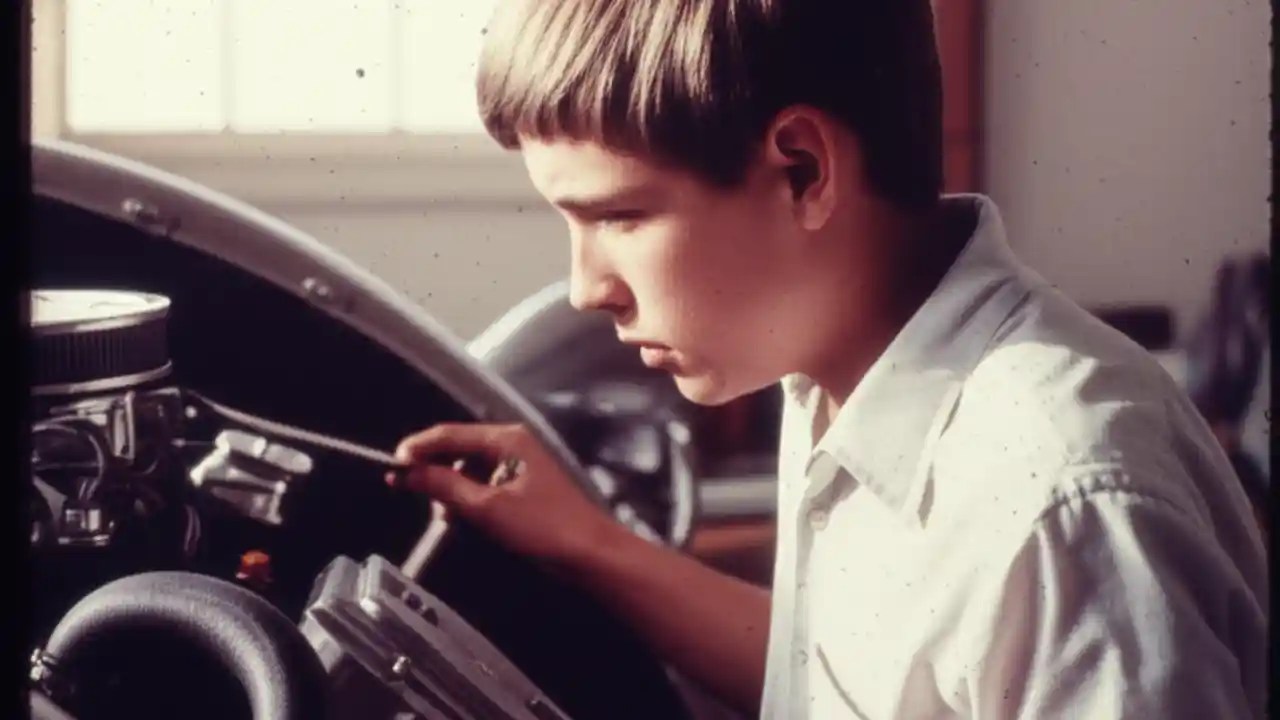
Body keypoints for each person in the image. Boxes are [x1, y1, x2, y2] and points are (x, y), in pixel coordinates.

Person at [389, 1, 1269, 717]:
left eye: (620, 217)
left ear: (804, 171)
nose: (588, 288)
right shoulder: (838, 368)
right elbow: (845, 682)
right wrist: (589, 543)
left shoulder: (1061, 504)